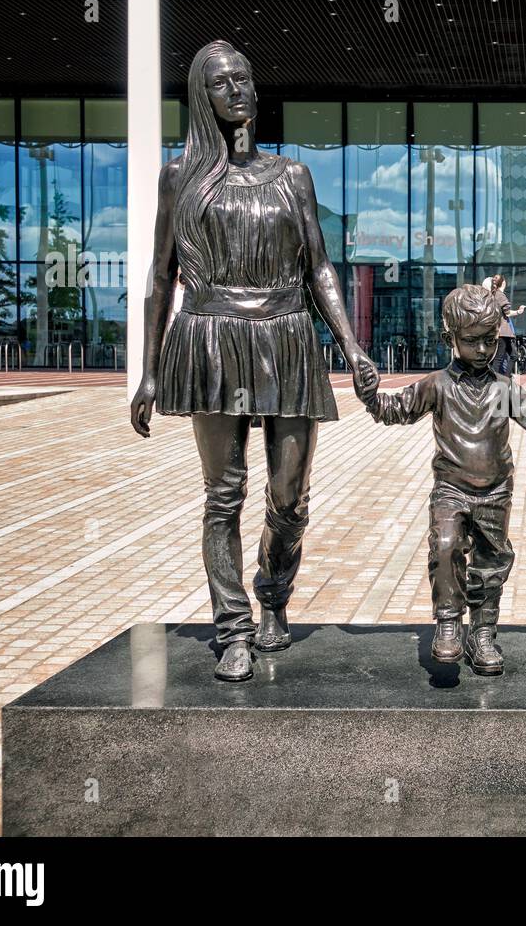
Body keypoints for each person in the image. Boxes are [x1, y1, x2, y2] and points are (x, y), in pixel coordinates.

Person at [130, 41, 378, 683]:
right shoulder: (179, 177)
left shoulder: (292, 176)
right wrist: (149, 369)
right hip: (211, 339)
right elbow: (161, 277)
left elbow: (320, 267)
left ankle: (273, 593)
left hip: (287, 337)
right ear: (202, 97)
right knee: (223, 495)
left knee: (289, 499)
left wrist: (351, 346)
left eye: (244, 77)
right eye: (220, 82)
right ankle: (233, 627)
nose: (236, 89)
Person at [360, 283, 526, 675]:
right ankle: (448, 623)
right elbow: (396, 410)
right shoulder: (437, 385)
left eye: (489, 342)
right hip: (451, 489)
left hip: (496, 492)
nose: (482, 350)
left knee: (491, 562)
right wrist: (371, 395)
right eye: (472, 341)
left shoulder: (503, 388)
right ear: (450, 339)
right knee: (444, 546)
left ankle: (482, 633)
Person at [484, 274, 526, 375]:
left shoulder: (494, 294)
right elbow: (507, 312)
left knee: (513, 355)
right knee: (499, 358)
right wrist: (518, 311)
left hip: (503, 332)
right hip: (502, 332)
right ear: (503, 283)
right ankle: (496, 380)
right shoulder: (500, 295)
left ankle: (505, 378)